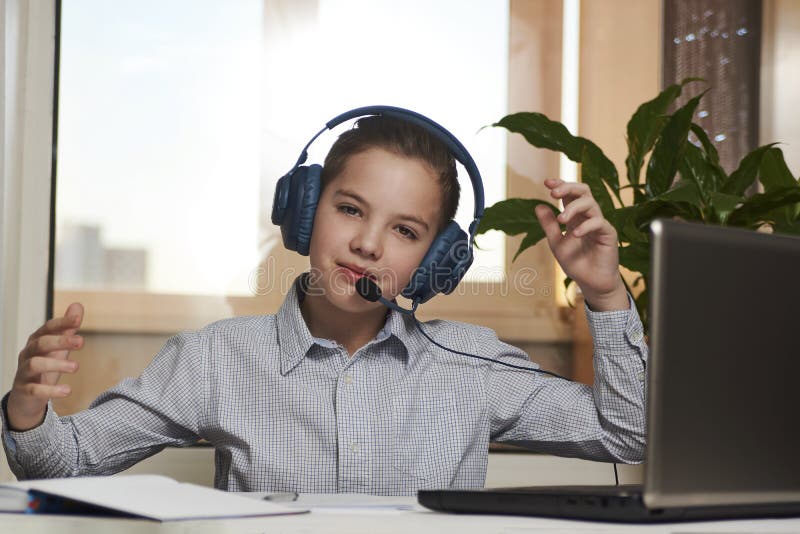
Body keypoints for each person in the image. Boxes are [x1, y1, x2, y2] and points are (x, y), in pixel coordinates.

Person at [2, 110, 647, 495]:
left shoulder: (472, 366)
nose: (367, 244)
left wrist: (604, 293)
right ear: (305, 211)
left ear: (436, 260)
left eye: (405, 231)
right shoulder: (215, 361)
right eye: (349, 209)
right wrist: (29, 409)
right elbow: (62, 465)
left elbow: (630, 432)